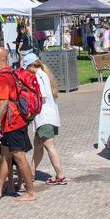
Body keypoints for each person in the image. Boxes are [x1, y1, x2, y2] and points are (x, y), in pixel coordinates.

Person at [0, 45, 37, 202]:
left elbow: (4, 102)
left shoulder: (2, 77)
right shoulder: (10, 73)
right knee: (5, 155)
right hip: (12, 122)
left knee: (19, 157)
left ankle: (31, 192)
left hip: (13, 123)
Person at [24, 51, 65, 185]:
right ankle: (31, 173)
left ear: (31, 66)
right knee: (38, 146)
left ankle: (60, 175)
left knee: (49, 146)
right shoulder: (44, 74)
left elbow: (40, 96)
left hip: (44, 118)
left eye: (26, 68)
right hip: (48, 117)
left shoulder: (38, 77)